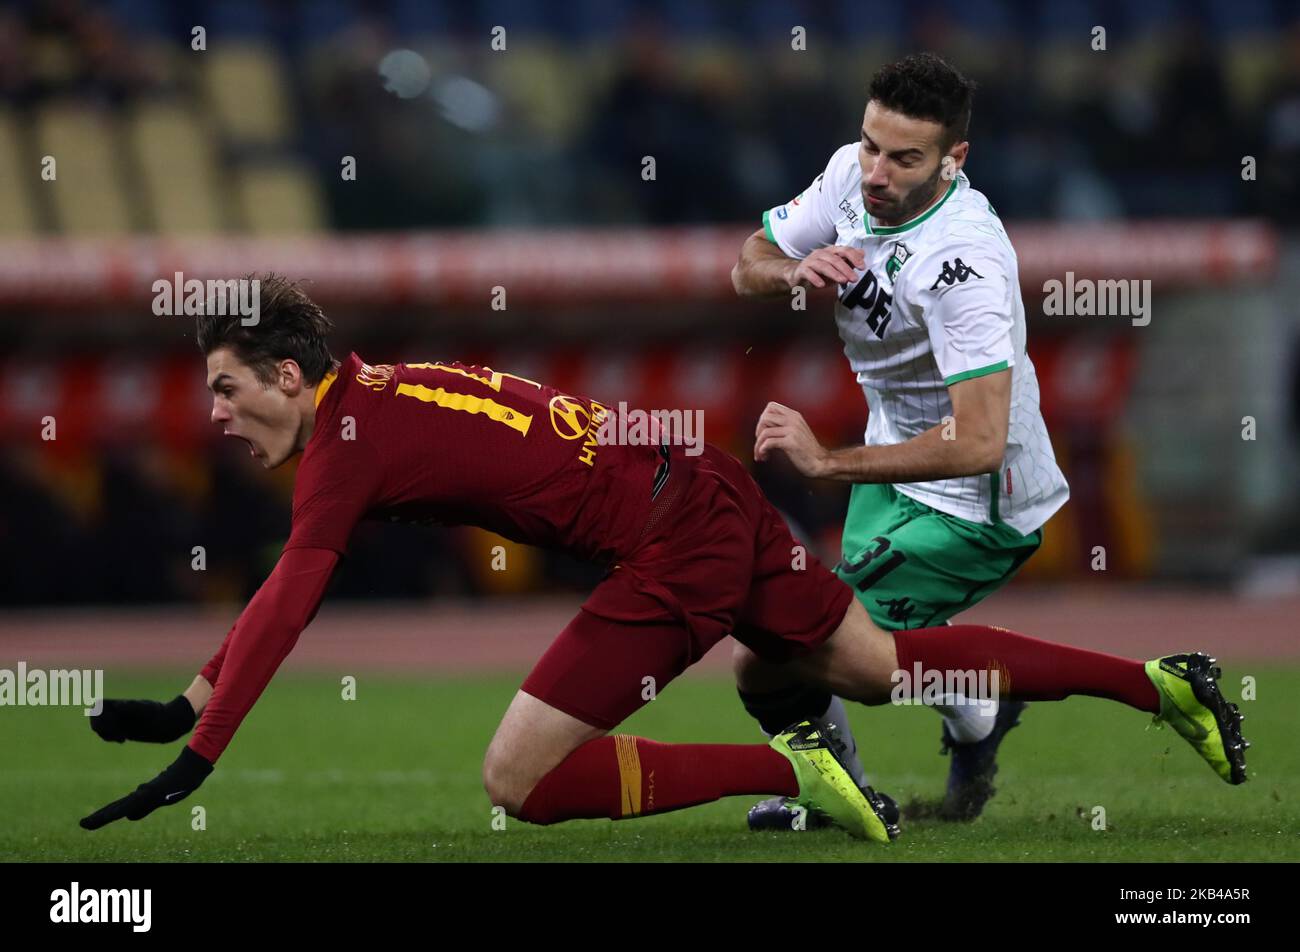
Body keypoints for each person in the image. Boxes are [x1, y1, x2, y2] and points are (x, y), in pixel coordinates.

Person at [80, 276, 1247, 842]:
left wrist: (204, 750)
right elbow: (287, 581)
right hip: (702, 486)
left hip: (669, 535)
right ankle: (1159, 682)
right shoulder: (375, 392)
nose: (221, 418)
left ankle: (797, 778)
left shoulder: (343, 437)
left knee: (516, 784)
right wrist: (190, 696)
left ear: (287, 376)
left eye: (228, 391)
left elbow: (290, 593)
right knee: (880, 665)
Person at [732, 52, 1067, 823]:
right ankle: (973, 711)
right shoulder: (854, 174)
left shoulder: (966, 264)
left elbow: (981, 442)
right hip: (894, 462)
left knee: (783, 650)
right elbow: (745, 262)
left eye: (904, 157)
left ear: (955, 159)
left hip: (974, 503)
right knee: (847, 650)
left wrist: (825, 462)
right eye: (870, 145)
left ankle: (835, 799)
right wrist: (792, 270)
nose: (876, 173)